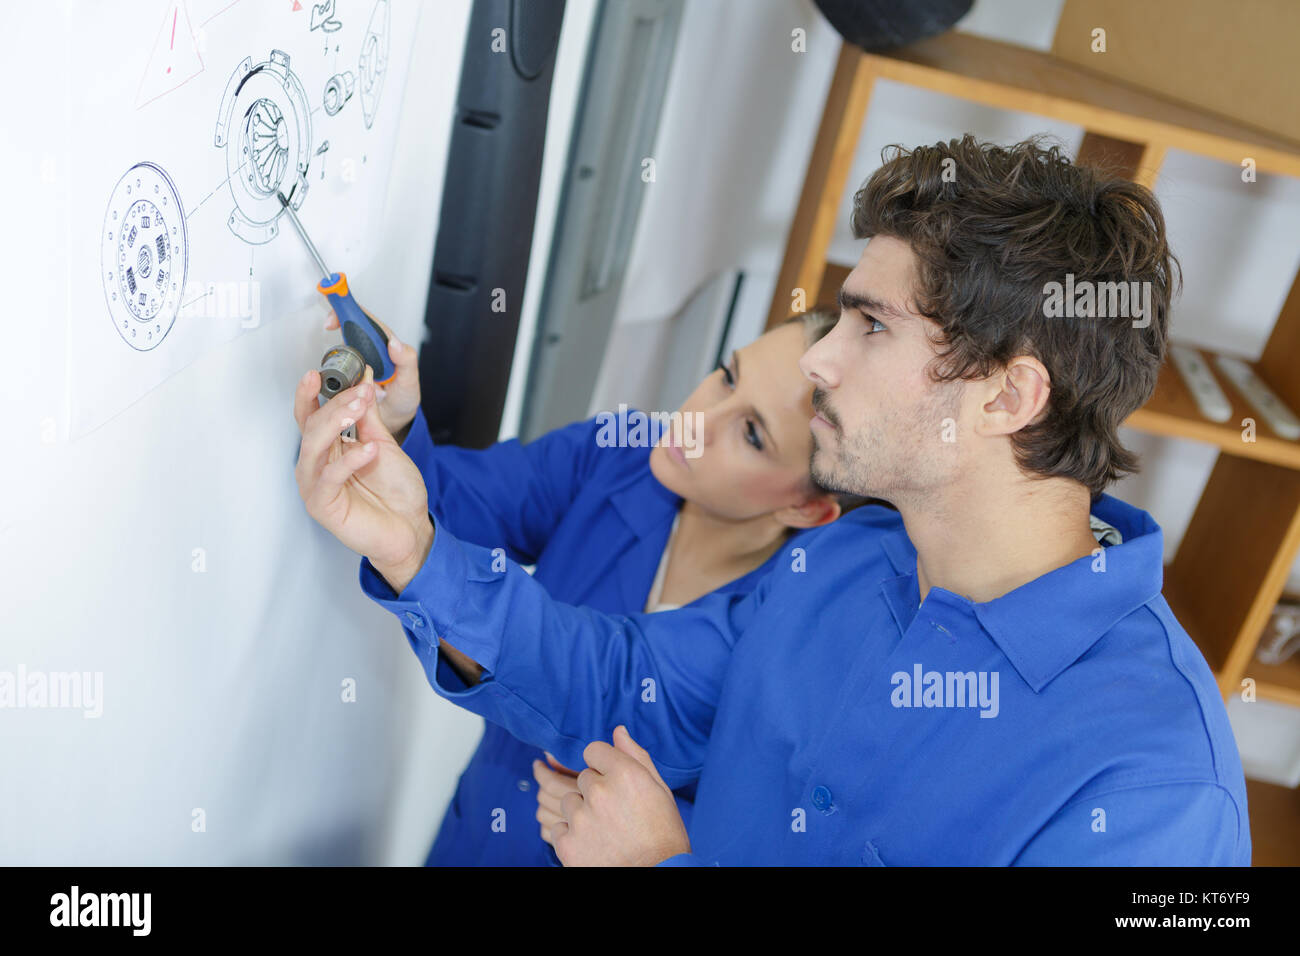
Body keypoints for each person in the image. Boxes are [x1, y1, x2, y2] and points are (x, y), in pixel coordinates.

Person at [295, 135, 1250, 865]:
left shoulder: (1159, 785)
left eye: (871, 327)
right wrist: (417, 548)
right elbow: (622, 685)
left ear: (1007, 395)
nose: (821, 362)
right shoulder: (838, 563)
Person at [304, 308, 863, 865]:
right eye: (728, 375)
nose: (698, 421)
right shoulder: (618, 456)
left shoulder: (794, 638)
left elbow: (772, 829)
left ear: (807, 507)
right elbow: (442, 512)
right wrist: (394, 426)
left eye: (750, 433)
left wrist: (655, 834)